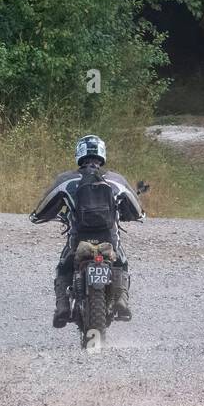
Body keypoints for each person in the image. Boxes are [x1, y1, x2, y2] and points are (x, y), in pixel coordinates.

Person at [30, 134, 145, 328]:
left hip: (78, 241)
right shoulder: (116, 181)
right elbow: (138, 213)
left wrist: (36, 216)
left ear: (79, 154)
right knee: (121, 263)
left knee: (63, 267)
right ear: (102, 155)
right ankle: (121, 300)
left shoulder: (67, 180)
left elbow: (41, 212)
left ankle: (63, 306)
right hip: (109, 239)